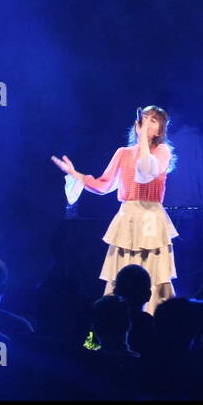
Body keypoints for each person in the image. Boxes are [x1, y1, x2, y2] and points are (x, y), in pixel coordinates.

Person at [52, 105, 179, 313]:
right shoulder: (123, 153)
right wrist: (75, 174)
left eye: (153, 121)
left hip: (150, 220)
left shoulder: (162, 152)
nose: (146, 122)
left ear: (159, 130)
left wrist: (143, 143)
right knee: (120, 274)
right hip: (127, 218)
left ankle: (154, 324)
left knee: (153, 274)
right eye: (144, 118)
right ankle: (111, 326)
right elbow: (103, 184)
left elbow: (147, 170)